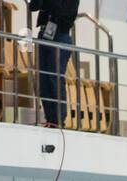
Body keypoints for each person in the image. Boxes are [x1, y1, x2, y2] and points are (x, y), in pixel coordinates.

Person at [30, 0, 80, 128]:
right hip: (44, 33)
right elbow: (33, 6)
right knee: (43, 80)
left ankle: (58, 120)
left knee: (55, 78)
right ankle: (50, 118)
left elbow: (64, 12)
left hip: (60, 35)